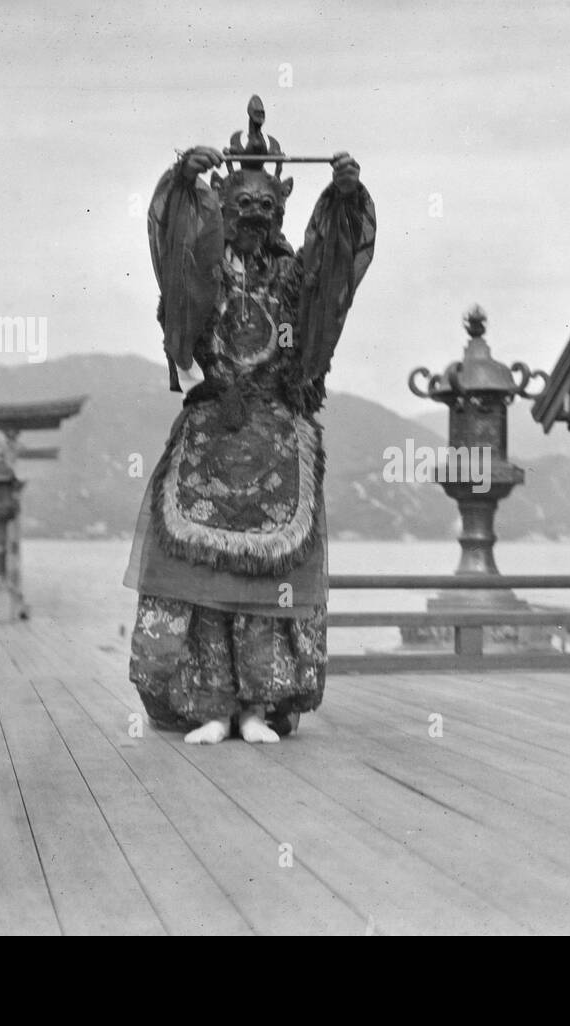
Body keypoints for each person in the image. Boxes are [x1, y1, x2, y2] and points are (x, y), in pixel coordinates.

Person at [123, 96, 376, 744]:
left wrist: (345, 202)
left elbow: (332, 276)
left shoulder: (292, 276)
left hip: (277, 432)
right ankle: (209, 704)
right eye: (243, 203)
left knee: (270, 578)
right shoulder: (205, 274)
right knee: (202, 577)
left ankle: (259, 706)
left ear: (281, 208)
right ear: (224, 206)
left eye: (267, 205)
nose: (255, 213)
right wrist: (183, 183)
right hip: (213, 425)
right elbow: (174, 257)